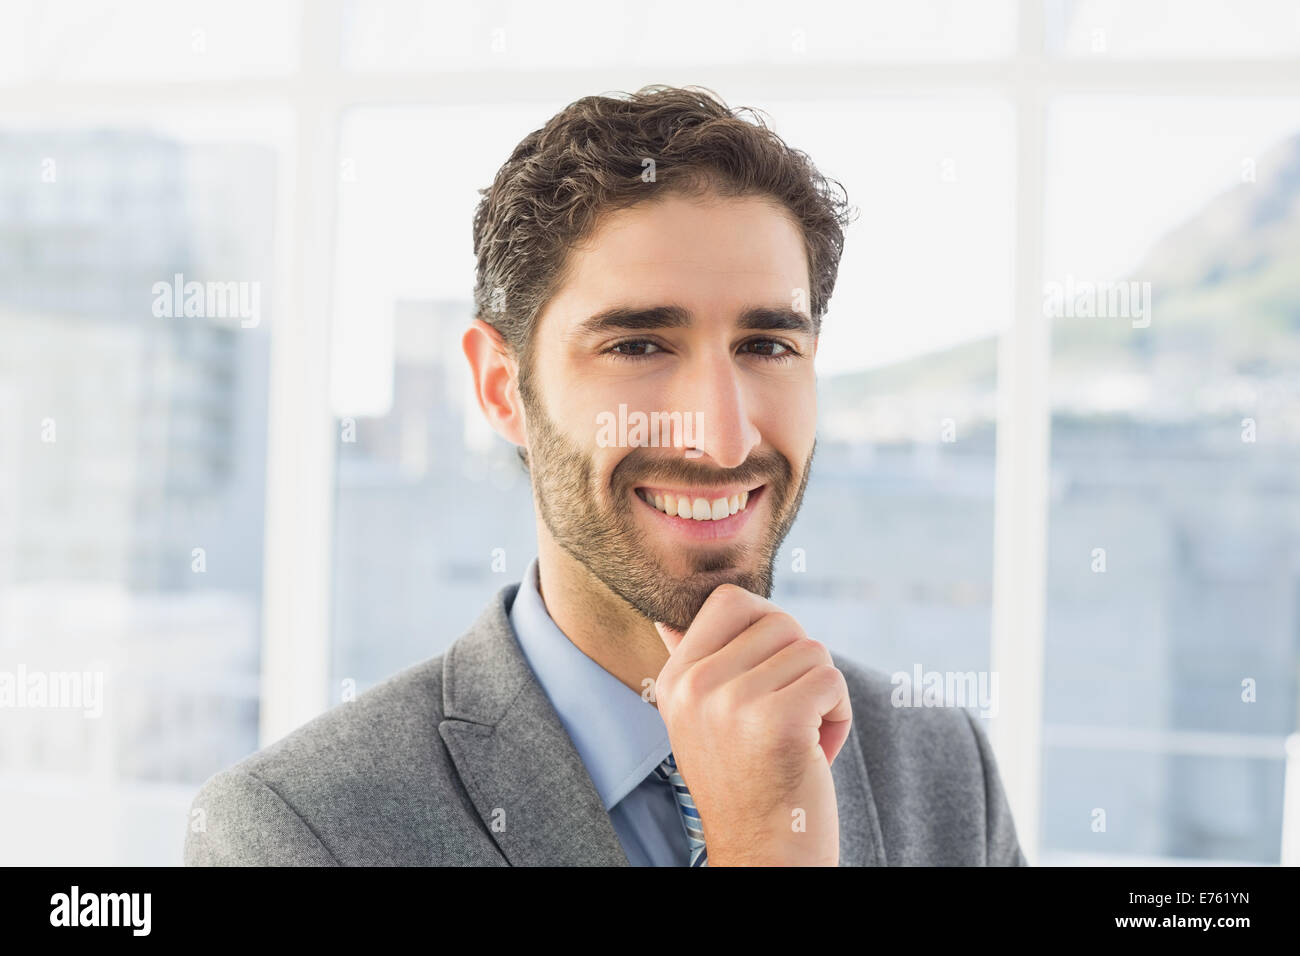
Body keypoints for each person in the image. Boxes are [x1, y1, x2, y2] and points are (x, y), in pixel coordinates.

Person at [184, 84, 1027, 866]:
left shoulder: (939, 768)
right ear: (499, 385)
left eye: (767, 345)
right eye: (638, 346)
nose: (721, 437)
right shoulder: (297, 833)